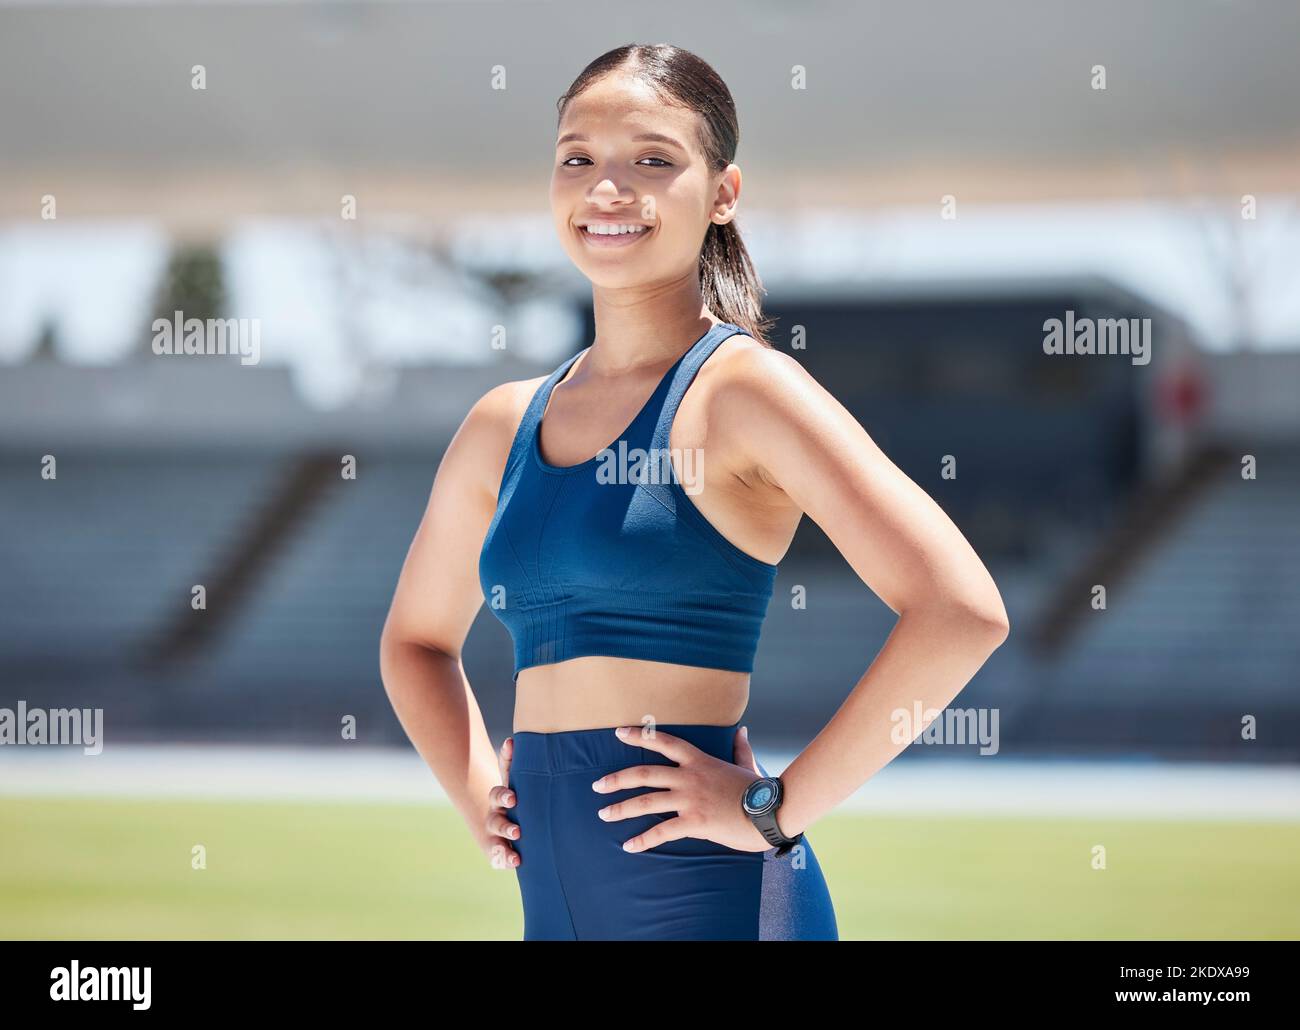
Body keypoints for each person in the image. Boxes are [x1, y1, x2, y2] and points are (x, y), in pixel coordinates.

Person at [379, 42, 1009, 940]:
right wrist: (479, 789)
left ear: (723, 194)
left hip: (712, 905)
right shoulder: (501, 425)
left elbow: (962, 610)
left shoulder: (744, 393)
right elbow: (414, 642)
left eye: (652, 159)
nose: (606, 187)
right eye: (577, 158)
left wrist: (773, 809)